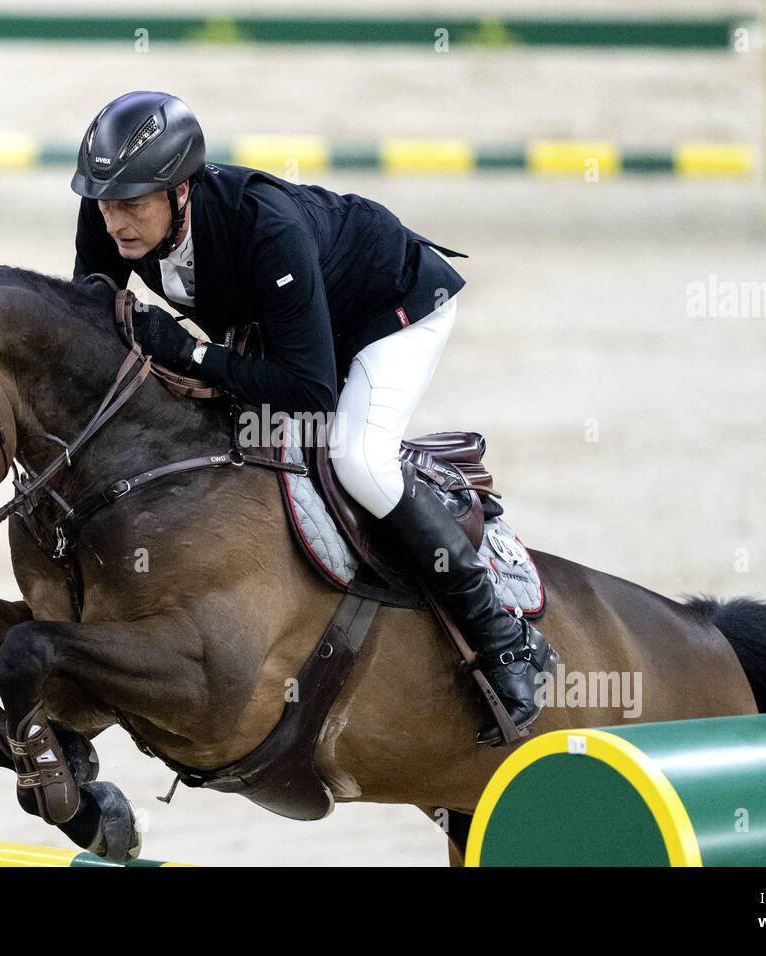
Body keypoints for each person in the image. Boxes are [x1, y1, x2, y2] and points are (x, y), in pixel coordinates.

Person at [69, 90, 557, 742]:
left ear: (182, 191)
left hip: (393, 311)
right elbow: (90, 319)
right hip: (289, 329)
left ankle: (504, 635)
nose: (114, 223)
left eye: (131, 205)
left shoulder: (267, 230)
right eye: (103, 203)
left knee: (358, 457)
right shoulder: (108, 207)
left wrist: (191, 353)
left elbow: (309, 395)